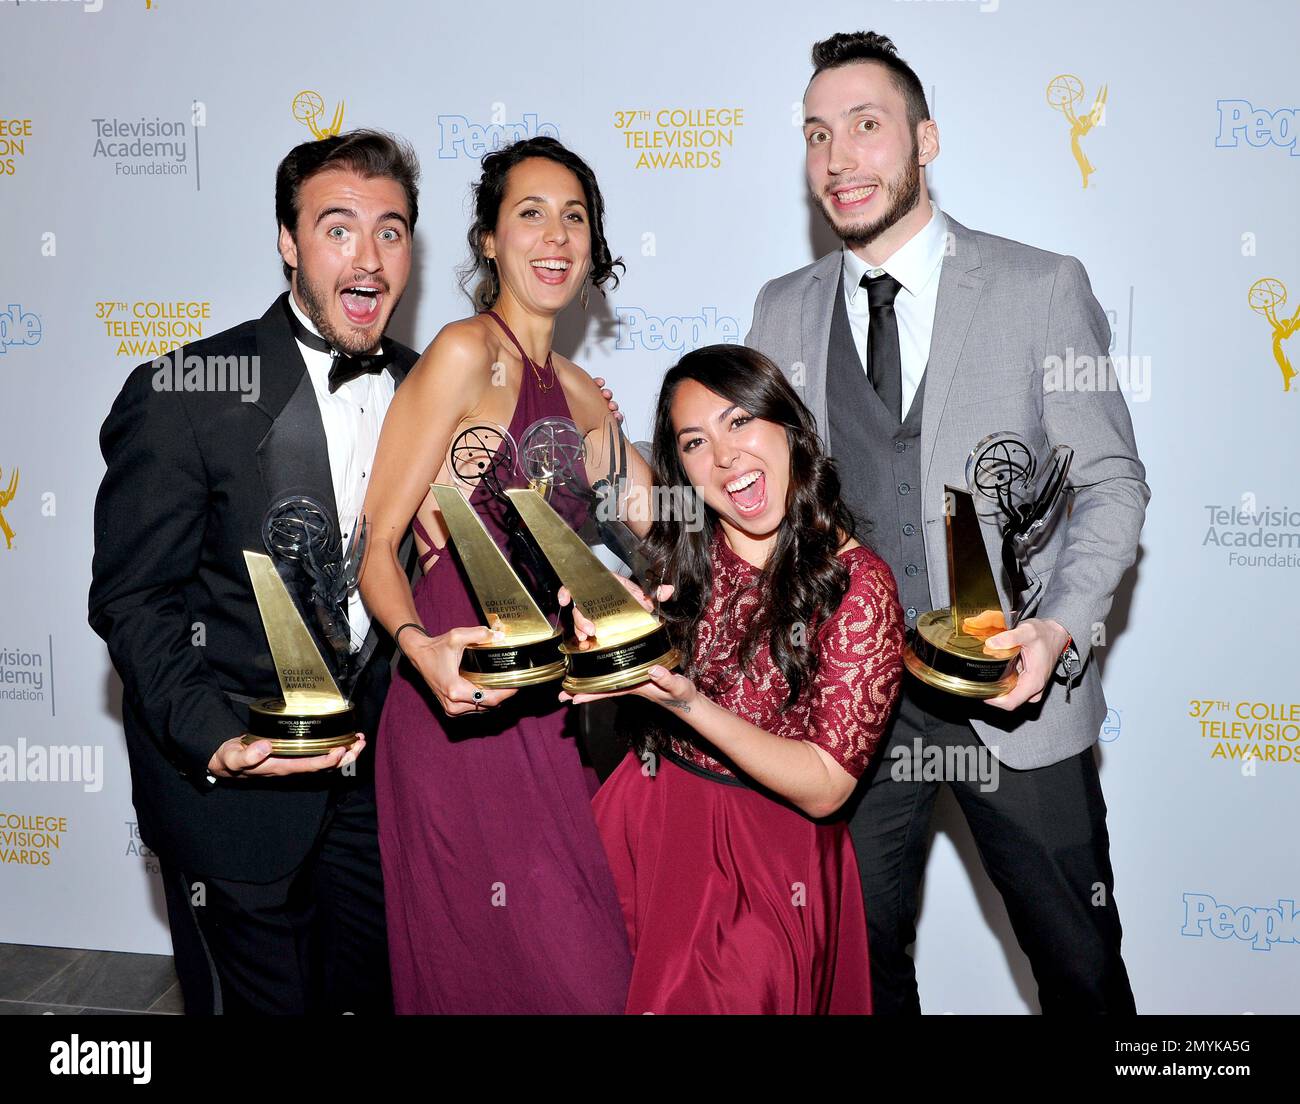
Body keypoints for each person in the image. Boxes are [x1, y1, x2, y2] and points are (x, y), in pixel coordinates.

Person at [744, 30, 1149, 1013]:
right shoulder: (778, 311)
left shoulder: (1037, 286)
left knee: (1081, 972)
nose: (838, 158)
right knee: (860, 976)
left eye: (866, 126)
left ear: (924, 140)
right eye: (815, 134)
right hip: (851, 716)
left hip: (1017, 701)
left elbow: (1111, 484)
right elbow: (751, 510)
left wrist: (1052, 628)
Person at [88, 130, 423, 1014]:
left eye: (391, 231)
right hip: (230, 798)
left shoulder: (427, 387)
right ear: (288, 241)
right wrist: (213, 739)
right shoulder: (186, 391)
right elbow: (135, 599)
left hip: (372, 796)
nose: (368, 255)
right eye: (338, 227)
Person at [358, 136, 653, 1013]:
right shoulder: (459, 354)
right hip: (457, 715)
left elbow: (655, 524)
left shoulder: (589, 395)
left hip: (556, 723)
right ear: (488, 238)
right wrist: (418, 648)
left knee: (592, 973)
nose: (556, 234)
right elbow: (376, 548)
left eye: (575, 217)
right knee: (489, 973)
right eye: (530, 212)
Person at [562, 344, 905, 1014]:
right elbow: (595, 455)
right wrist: (611, 622)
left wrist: (688, 704)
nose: (724, 457)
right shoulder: (680, 543)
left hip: (763, 871)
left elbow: (828, 787)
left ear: (791, 429)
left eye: (740, 421)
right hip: (640, 826)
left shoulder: (860, 586)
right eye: (695, 442)